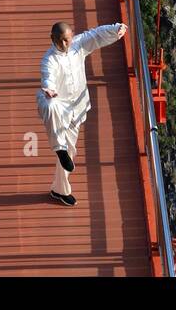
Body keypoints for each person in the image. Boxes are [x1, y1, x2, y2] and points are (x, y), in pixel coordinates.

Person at [37, 20, 128, 206]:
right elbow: (48, 75)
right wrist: (49, 89)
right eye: (60, 41)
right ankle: (58, 147)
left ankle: (59, 190)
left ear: (72, 36)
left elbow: (95, 35)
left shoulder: (78, 45)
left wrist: (116, 29)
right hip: (58, 106)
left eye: (67, 40)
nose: (64, 45)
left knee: (70, 154)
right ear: (52, 39)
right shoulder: (49, 59)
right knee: (50, 104)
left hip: (76, 109)